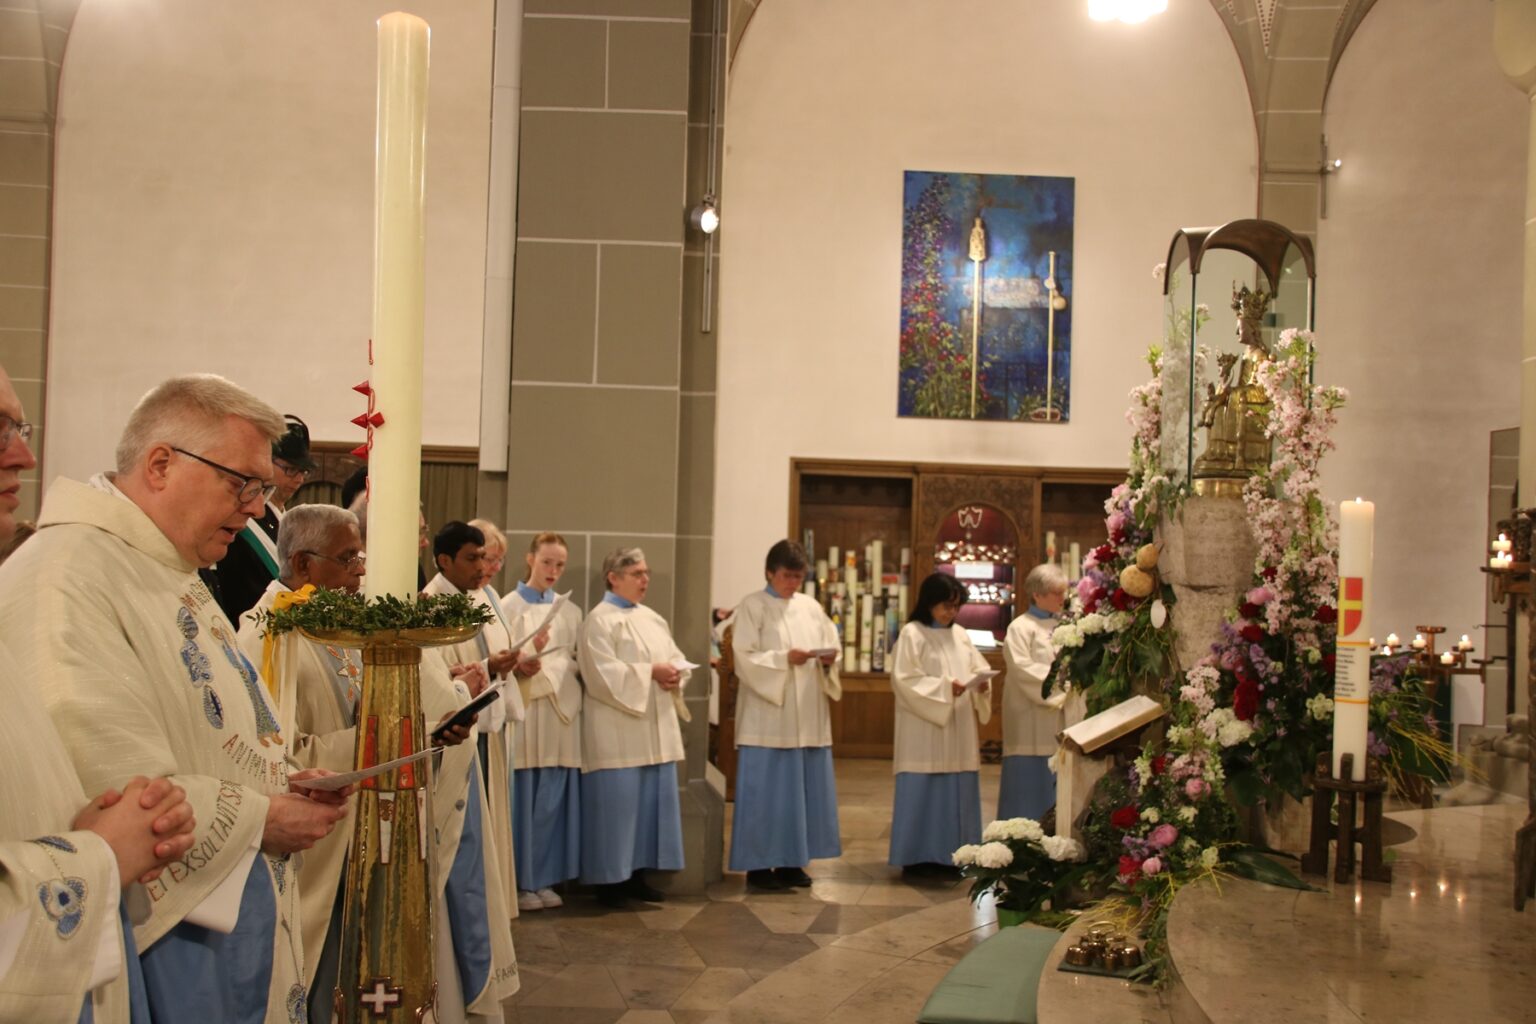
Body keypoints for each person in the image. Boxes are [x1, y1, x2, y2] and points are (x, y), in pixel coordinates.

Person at [0, 373, 351, 1022]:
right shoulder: (69, 578)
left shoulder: (171, 569)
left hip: (223, 915)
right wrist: (264, 817)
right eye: (241, 481)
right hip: (167, 946)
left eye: (264, 489)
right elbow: (118, 797)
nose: (254, 507)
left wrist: (282, 783)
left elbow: (213, 732)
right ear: (161, 464)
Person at [0, 364, 197, 1022]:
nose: (25, 456)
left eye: (18, 428)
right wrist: (97, 856)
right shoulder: (67, 572)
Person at [355, 498, 519, 1020]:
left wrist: (472, 678)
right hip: (428, 757)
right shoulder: (412, 605)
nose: (421, 542)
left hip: (459, 744)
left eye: (424, 532)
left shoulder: (469, 599)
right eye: (416, 532)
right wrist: (464, 679)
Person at [235, 503, 366, 1021]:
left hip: (353, 833)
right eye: (347, 557)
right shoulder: (263, 636)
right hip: (309, 843)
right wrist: (367, 744)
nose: (359, 569)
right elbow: (271, 759)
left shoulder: (335, 626)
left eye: (360, 555)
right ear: (304, 565)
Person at [423, 520, 527, 914]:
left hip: (490, 721)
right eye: (472, 558)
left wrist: (503, 662)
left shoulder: (485, 596)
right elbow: (437, 670)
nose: (481, 567)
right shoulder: (431, 602)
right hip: (460, 729)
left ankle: (491, 905)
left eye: (484, 557)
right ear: (444, 560)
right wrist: (487, 663)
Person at [576, 547, 688, 907]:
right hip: (617, 733)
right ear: (614, 576)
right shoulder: (598, 620)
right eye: (637, 573)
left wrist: (675, 674)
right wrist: (650, 672)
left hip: (653, 729)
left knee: (646, 810)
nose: (645, 580)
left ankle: (638, 876)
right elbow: (600, 677)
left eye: (646, 573)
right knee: (617, 810)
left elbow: (673, 656)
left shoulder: (652, 618)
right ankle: (610, 884)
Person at [728, 540, 842, 891]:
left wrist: (828, 660)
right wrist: (782, 659)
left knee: (802, 794)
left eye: (798, 576)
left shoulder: (810, 607)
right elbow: (743, 657)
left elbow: (831, 643)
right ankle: (759, 867)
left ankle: (794, 862)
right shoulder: (752, 606)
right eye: (786, 576)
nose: (793, 583)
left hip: (806, 717)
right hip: (768, 718)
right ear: (769, 572)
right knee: (766, 796)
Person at [888, 572, 992, 877]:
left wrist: (982, 685)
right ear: (929, 603)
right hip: (923, 729)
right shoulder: (912, 634)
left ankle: (956, 855)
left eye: (956, 607)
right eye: (945, 606)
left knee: (956, 789)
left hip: (957, 726)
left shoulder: (960, 634)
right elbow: (905, 680)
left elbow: (978, 667)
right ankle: (917, 857)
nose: (951, 613)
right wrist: (946, 688)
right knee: (923, 790)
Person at [502, 532, 583, 912]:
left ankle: (545, 877)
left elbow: (574, 657)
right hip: (527, 708)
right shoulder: (508, 606)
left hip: (559, 710)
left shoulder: (571, 611)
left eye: (560, 565)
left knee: (552, 795)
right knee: (524, 794)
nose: (553, 571)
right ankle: (520, 880)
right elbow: (500, 658)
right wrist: (522, 663)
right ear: (531, 559)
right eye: (547, 562)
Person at [210, 414, 316, 623]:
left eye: (303, 471)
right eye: (290, 469)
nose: (299, 478)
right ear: (266, 462)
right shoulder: (243, 519)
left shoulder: (281, 516)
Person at [1000, 564, 1070, 821]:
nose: (1062, 599)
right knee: (1027, 787)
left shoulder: (1067, 626)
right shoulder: (1020, 627)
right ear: (1037, 594)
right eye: (1056, 593)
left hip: (1059, 715)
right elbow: (1022, 669)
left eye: (1063, 593)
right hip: (1028, 716)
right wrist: (1061, 688)